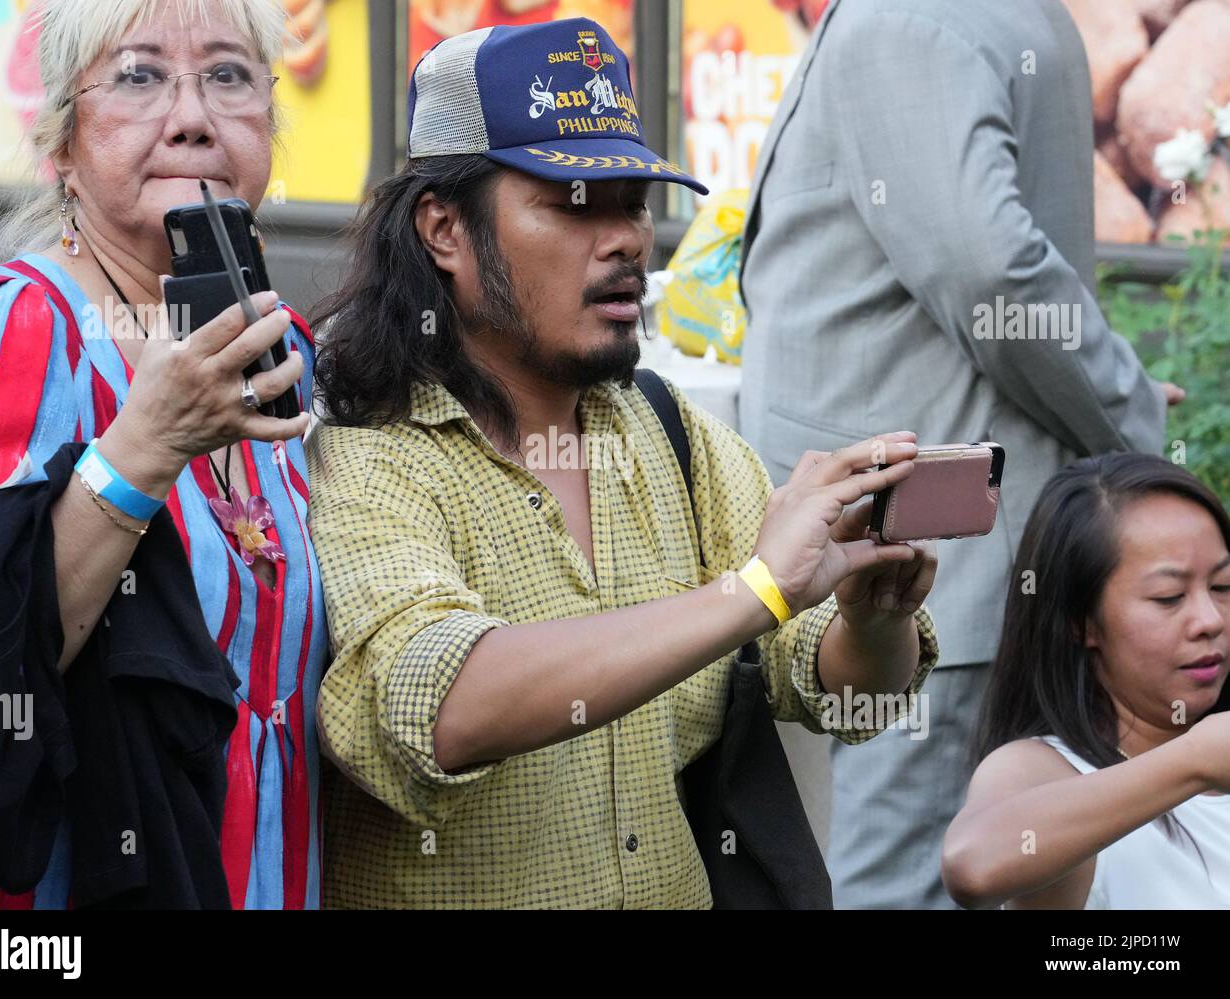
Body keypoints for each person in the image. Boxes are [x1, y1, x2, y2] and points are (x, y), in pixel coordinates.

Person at [307, 16, 940, 909]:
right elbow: (432, 705)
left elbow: (836, 692)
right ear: (443, 229)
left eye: (633, 202)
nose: (626, 241)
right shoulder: (370, 452)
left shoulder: (666, 429)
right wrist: (755, 589)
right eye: (574, 203)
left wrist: (871, 618)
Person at [737, 0, 1173, 908]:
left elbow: (989, 272)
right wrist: (1110, 392)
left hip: (932, 556)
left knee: (909, 883)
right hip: (939, 547)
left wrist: (1125, 411)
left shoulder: (908, 20)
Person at [0, 0, 327, 909]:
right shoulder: (19, 327)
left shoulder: (287, 352)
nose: (192, 117)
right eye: (140, 76)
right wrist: (142, 451)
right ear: (63, 146)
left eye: (229, 75)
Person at [942, 453, 1230, 909]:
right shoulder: (1046, 768)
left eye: (1223, 587)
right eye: (1169, 597)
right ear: (1080, 620)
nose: (1209, 620)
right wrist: (1194, 760)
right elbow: (972, 865)